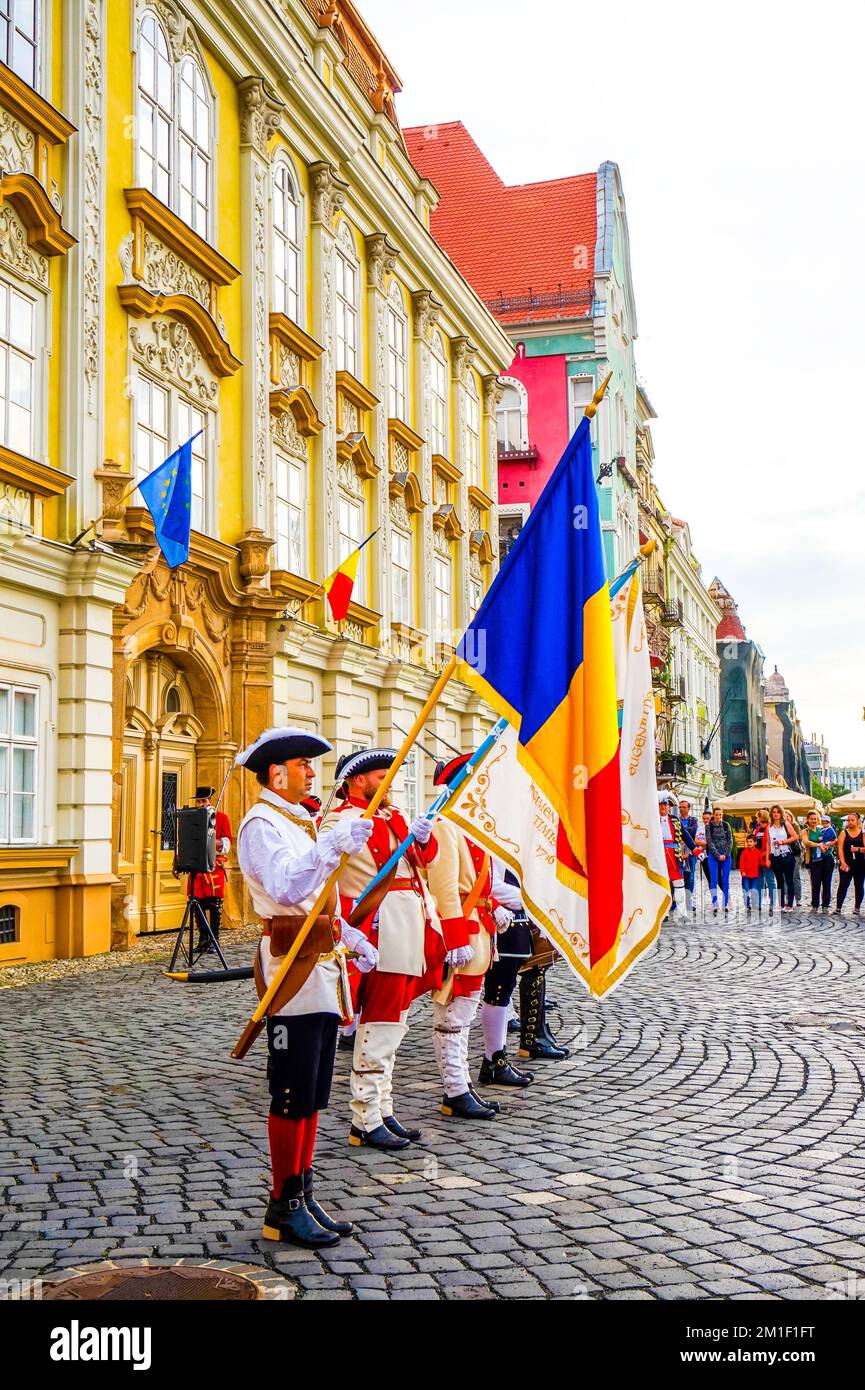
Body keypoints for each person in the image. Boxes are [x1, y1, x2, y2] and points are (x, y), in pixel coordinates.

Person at [235, 726, 378, 1249]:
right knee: (292, 1091)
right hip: (291, 964)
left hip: (320, 958)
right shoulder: (261, 824)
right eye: (304, 765)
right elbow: (285, 886)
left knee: (315, 1091)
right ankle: (282, 1203)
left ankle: (303, 1191)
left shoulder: (298, 821)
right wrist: (330, 846)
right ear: (277, 773)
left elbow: (318, 898)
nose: (313, 773)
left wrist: (351, 935)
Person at [320, 749, 444, 1151]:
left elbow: (421, 864)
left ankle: (383, 1109)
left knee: (395, 1023)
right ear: (358, 780)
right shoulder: (341, 823)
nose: (389, 782)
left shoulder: (393, 818)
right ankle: (365, 1118)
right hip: (380, 928)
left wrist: (423, 840)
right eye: (381, 776)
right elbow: (324, 880)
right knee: (380, 1023)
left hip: (408, 925)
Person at [425, 757, 533, 1116]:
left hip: (481, 933)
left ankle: (462, 1085)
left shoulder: (471, 829)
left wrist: (494, 909)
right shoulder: (445, 827)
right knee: (452, 1016)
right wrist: (455, 937)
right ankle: (454, 1091)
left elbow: (480, 884)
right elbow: (445, 890)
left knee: (464, 1015)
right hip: (463, 937)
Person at [176, 786, 232, 953]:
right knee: (196, 904)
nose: (200, 804)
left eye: (203, 801)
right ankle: (203, 939)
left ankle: (214, 940)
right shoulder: (191, 817)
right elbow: (184, 841)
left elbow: (227, 841)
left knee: (214, 905)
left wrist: (214, 841)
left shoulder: (221, 817)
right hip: (196, 868)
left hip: (214, 866)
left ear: (210, 801)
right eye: (199, 801)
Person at [658, 793, 687, 914]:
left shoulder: (675, 820)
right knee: (659, 884)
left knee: (679, 883)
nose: (664, 807)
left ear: (669, 807)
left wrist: (696, 850)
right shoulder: (652, 820)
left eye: (666, 805)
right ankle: (662, 913)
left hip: (674, 857)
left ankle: (682, 912)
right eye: (661, 805)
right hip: (659, 855)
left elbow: (685, 835)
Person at [802, 809, 836, 913]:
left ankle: (825, 905)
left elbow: (835, 840)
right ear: (807, 820)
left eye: (815, 819)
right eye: (811, 819)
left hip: (827, 858)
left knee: (827, 882)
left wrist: (827, 845)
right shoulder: (805, 831)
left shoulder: (823, 828)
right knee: (815, 883)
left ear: (818, 820)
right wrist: (819, 845)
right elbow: (806, 842)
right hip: (814, 860)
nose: (813, 820)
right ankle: (815, 905)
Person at [767, 803, 798, 912]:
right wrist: (767, 858)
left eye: (778, 812)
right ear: (771, 814)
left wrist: (783, 841)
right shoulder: (769, 827)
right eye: (774, 812)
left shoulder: (786, 824)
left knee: (789, 880)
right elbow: (767, 843)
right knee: (779, 881)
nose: (776, 814)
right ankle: (781, 904)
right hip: (775, 856)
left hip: (786, 855)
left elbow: (795, 837)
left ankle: (790, 904)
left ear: (781, 813)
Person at [706, 806, 734, 917]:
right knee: (714, 879)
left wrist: (725, 854)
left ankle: (725, 903)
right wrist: (718, 855)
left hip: (726, 855)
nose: (719, 817)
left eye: (720, 815)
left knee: (725, 879)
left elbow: (730, 840)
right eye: (717, 814)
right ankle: (714, 902)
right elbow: (709, 842)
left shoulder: (726, 825)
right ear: (713, 815)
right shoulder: (709, 826)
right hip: (714, 855)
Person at [836, 812, 865, 916]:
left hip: (860, 864)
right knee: (843, 885)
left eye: (852, 820)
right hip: (847, 863)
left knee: (859, 885)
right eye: (848, 820)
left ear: (857, 821)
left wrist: (857, 849)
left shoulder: (862, 833)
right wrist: (843, 862)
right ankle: (838, 907)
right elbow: (840, 848)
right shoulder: (844, 833)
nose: (849, 822)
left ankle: (857, 907)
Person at [752, 809, 776, 917]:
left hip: (766, 859)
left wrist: (763, 855)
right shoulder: (756, 830)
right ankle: (758, 903)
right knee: (758, 881)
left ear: (762, 817)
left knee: (770, 881)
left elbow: (769, 844)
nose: (756, 819)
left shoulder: (770, 829)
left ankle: (772, 903)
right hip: (757, 860)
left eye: (757, 817)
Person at [679, 798, 699, 913]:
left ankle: (689, 900)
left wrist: (682, 830)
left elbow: (693, 831)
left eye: (684, 807)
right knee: (678, 876)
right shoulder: (676, 819)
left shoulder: (693, 820)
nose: (682, 809)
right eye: (680, 807)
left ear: (688, 808)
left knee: (690, 877)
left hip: (691, 852)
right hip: (679, 851)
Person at [738, 834, 763, 915]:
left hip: (755, 876)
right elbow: (741, 863)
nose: (749, 843)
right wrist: (742, 872)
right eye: (748, 842)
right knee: (746, 891)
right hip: (746, 876)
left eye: (751, 842)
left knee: (754, 891)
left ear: (755, 843)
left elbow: (761, 862)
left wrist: (767, 863)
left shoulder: (758, 852)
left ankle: (755, 905)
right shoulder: (744, 852)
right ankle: (747, 905)